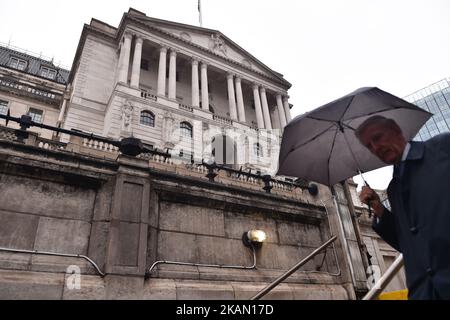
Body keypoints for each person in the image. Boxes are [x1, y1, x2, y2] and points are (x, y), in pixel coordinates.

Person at [356, 115, 450, 299]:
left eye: (377, 138)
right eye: (369, 145)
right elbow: (407, 244)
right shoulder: (394, 188)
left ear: (397, 131)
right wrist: (378, 208)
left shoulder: (442, 148)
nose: (375, 148)